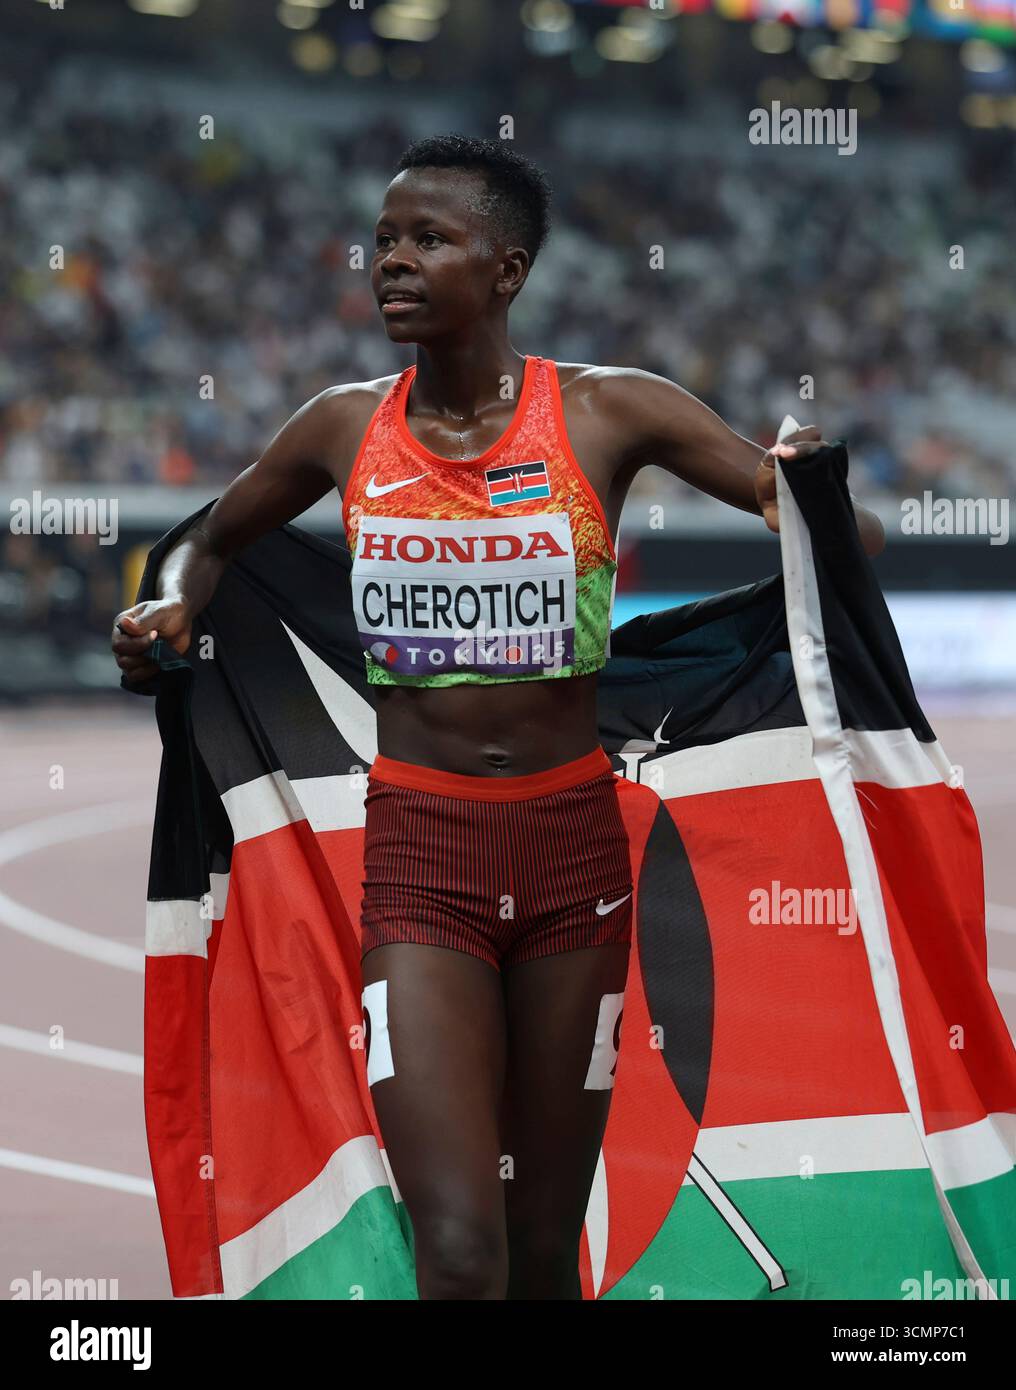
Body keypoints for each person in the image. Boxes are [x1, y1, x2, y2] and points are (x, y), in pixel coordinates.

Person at [112, 133, 884, 1301]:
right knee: (461, 1250)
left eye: (429, 240)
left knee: (538, 1250)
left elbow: (832, 536)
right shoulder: (340, 427)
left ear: (508, 268)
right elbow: (210, 539)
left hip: (574, 857)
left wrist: (814, 487)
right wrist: (166, 609)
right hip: (420, 855)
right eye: (382, 242)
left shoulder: (611, 412)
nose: (391, 263)